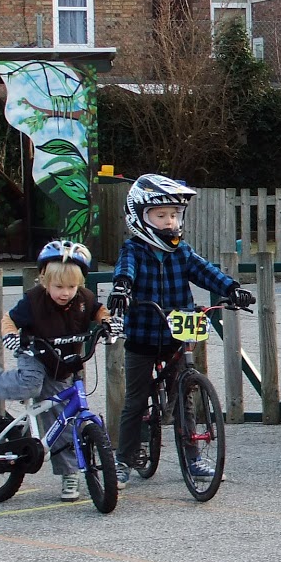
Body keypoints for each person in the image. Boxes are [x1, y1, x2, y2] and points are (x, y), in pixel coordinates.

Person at [108, 174, 254, 485]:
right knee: (135, 400)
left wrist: (232, 289)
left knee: (186, 394)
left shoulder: (182, 252)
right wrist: (122, 289)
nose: (169, 222)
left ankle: (194, 459)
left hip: (177, 333)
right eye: (161, 215)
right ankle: (123, 460)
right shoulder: (133, 250)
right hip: (143, 335)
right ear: (139, 216)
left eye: (174, 215)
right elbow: (126, 272)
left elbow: (205, 271)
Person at [0, 240, 118, 501]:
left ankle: (70, 475)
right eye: (58, 286)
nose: (65, 292)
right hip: (34, 354)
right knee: (32, 384)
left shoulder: (85, 299)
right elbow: (9, 320)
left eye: (72, 287)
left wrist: (107, 322)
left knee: (63, 418)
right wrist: (11, 335)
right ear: (44, 281)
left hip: (65, 361)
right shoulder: (34, 301)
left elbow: (98, 311)